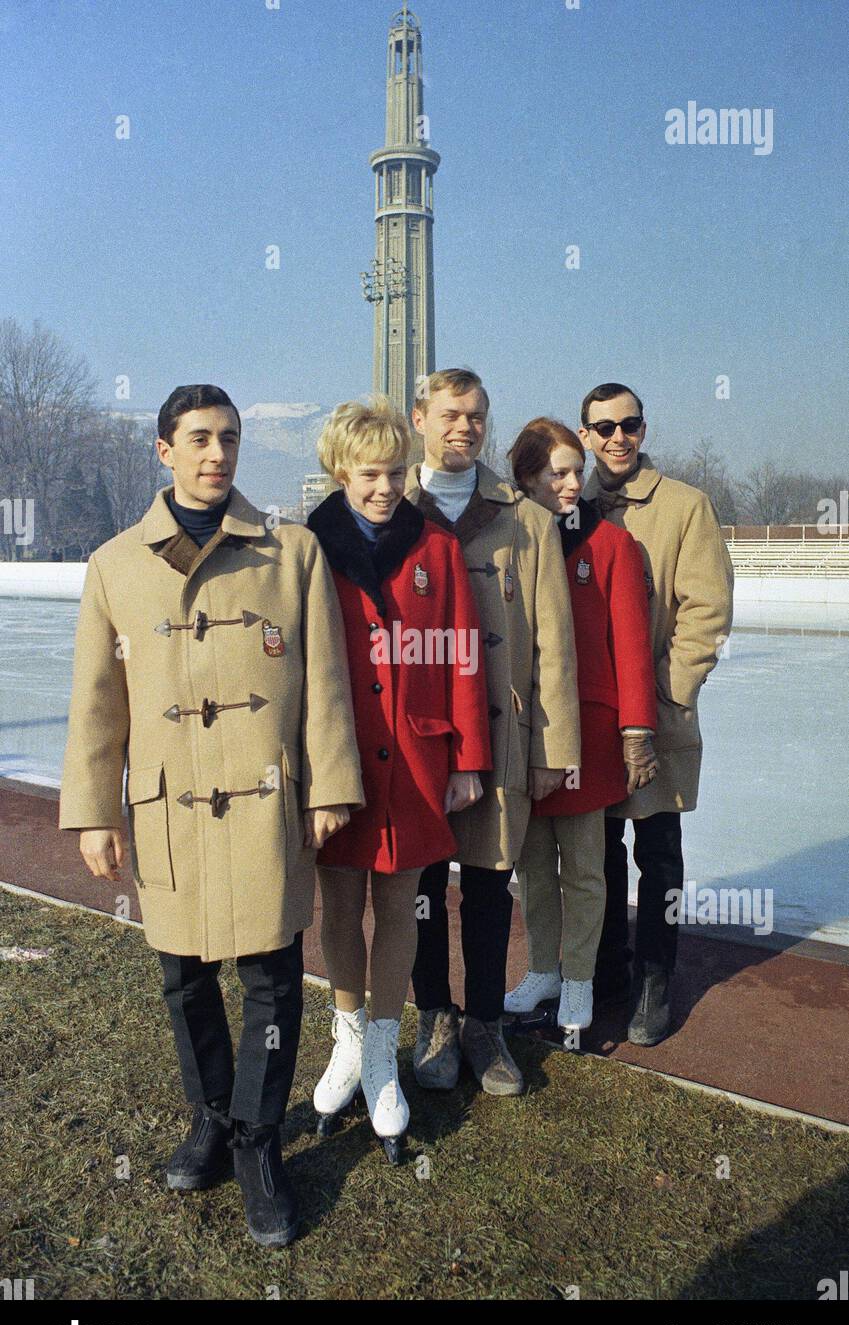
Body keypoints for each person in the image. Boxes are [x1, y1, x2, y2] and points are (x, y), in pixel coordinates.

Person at [59, 384, 364, 1246]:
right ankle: (213, 1123)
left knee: (271, 975)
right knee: (183, 977)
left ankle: (260, 1141)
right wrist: (93, 812)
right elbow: (96, 702)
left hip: (268, 799)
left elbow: (324, 678)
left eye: (228, 438)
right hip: (168, 811)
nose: (215, 454)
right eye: (197, 439)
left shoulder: (290, 551)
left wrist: (331, 783)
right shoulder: (114, 563)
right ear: (164, 450)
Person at [306, 396, 491, 1161]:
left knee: (403, 905)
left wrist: (470, 758)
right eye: (368, 473)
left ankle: (384, 1052)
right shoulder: (306, 548)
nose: (383, 487)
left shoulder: (436, 549)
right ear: (341, 472)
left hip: (417, 761)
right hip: (340, 762)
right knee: (341, 904)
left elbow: (463, 657)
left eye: (391, 472)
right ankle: (347, 1039)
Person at [406, 369, 581, 1096]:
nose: (464, 428)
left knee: (485, 886)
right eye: (449, 414)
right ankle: (432, 1019)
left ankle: (483, 1023)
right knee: (415, 889)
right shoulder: (390, 507)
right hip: (415, 741)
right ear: (419, 418)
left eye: (476, 416)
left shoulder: (524, 519)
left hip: (500, 736)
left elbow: (553, 648)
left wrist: (552, 750)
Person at [580, 382, 734, 1044]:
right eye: (603, 428)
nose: (618, 438)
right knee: (597, 852)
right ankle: (606, 970)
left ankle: (652, 979)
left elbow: (706, 609)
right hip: (590, 720)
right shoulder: (571, 508)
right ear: (584, 435)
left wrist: (666, 694)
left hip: (659, 719)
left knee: (659, 850)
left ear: (643, 430)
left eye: (629, 425)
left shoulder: (683, 507)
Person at [504, 418, 658, 1033]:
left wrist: (637, 729)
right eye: (557, 473)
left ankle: (578, 978)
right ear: (527, 479)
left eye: (576, 471)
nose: (573, 484)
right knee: (533, 866)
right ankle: (543, 966)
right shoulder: (508, 541)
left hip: (588, 735)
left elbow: (632, 648)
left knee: (586, 868)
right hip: (523, 731)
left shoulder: (613, 547)